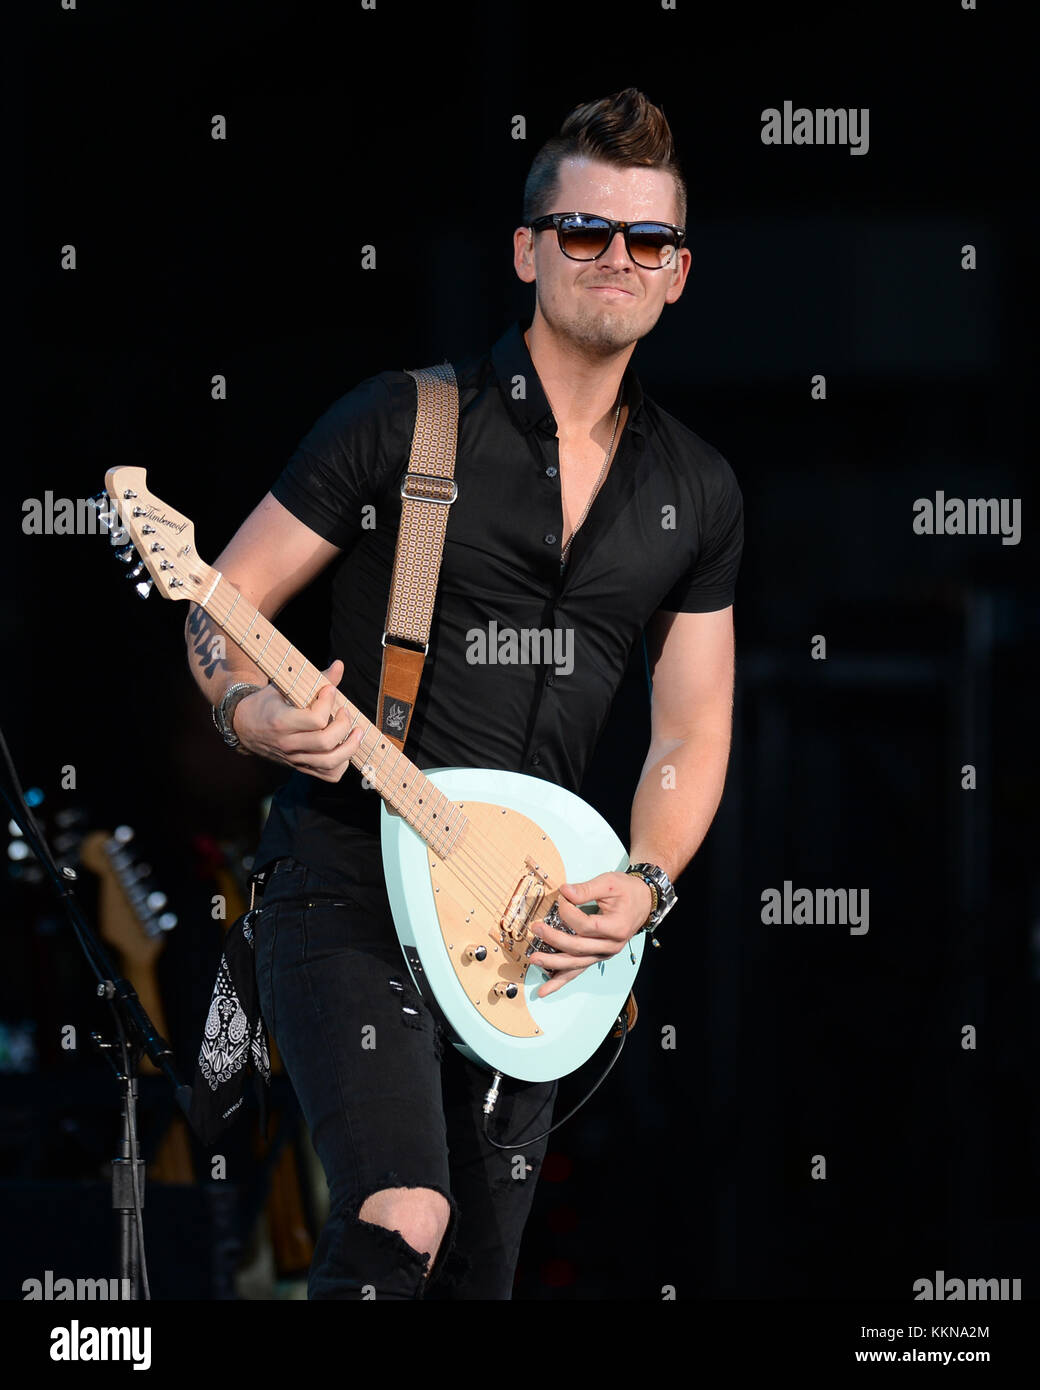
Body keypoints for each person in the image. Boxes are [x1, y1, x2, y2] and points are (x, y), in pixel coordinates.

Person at [184, 87, 743, 1300]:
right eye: (583, 231)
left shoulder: (694, 493)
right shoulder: (403, 425)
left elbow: (690, 729)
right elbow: (216, 605)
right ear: (526, 249)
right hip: (346, 882)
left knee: (476, 1282)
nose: (616, 259)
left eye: (645, 240)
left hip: (521, 920)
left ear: (678, 274)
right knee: (403, 1216)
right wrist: (251, 714)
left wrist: (642, 882)